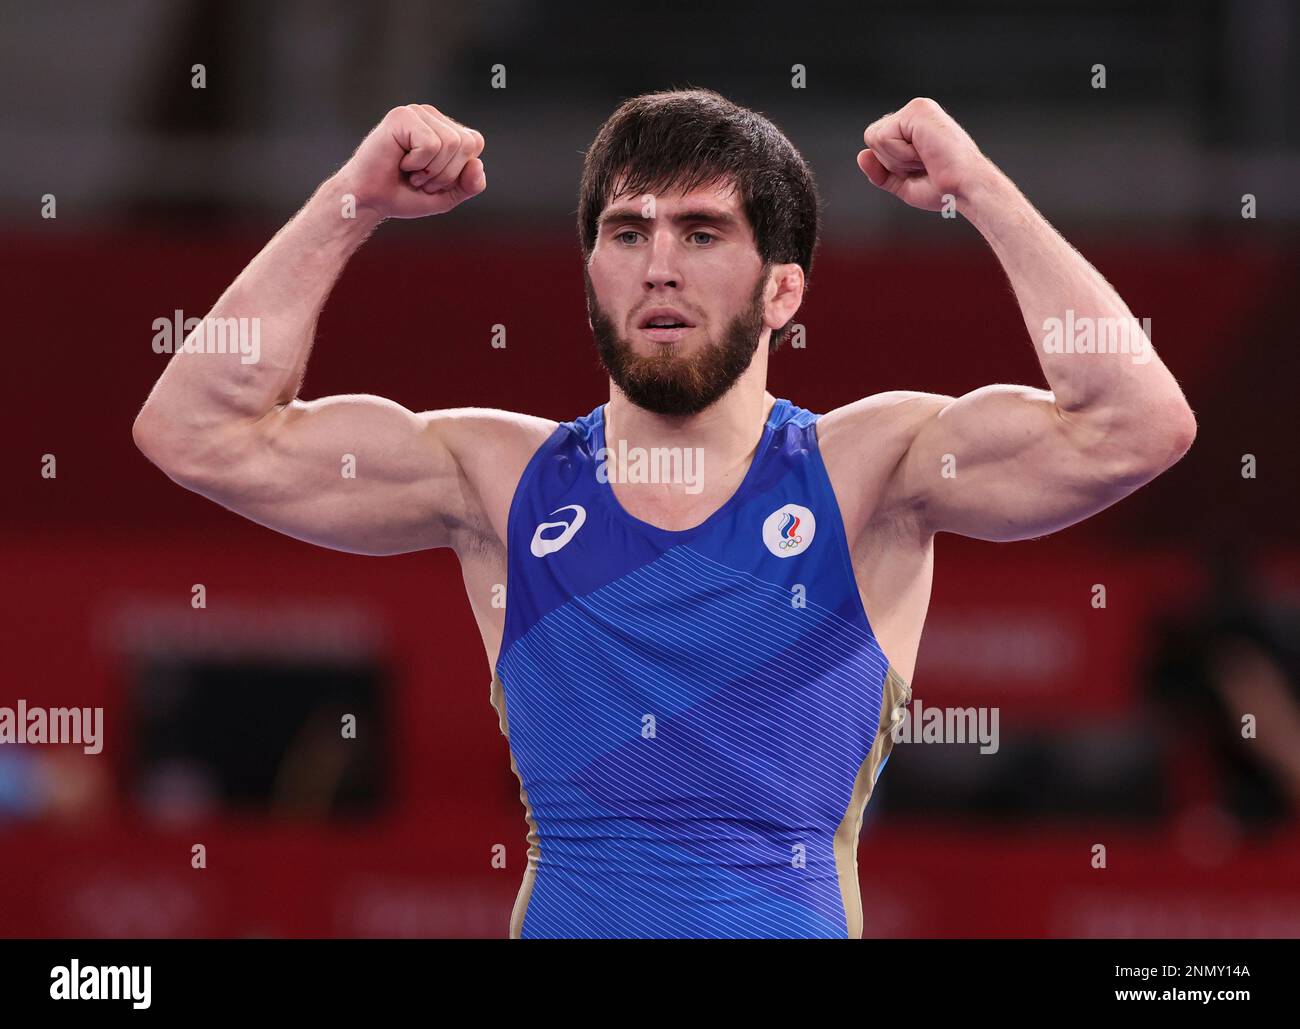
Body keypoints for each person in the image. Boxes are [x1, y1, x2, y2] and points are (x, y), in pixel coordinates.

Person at [133, 88, 1196, 938]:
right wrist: (350, 200)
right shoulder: (496, 479)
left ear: (782, 291)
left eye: (701, 232)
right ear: (591, 272)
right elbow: (196, 432)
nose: (658, 266)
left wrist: (981, 189)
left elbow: (1135, 426)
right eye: (627, 230)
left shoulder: (870, 472)